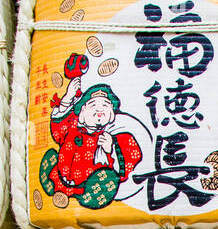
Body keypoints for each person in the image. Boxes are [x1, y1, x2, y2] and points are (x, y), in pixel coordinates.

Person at [39, 70, 142, 209]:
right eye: (93, 105)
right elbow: (57, 129)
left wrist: (110, 148)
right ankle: (57, 187)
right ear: (82, 111)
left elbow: (132, 153)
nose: (100, 109)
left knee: (106, 179)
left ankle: (84, 197)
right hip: (60, 176)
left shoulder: (109, 137)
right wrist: (67, 99)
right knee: (50, 157)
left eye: (105, 105)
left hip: (86, 188)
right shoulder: (72, 126)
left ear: (112, 113)